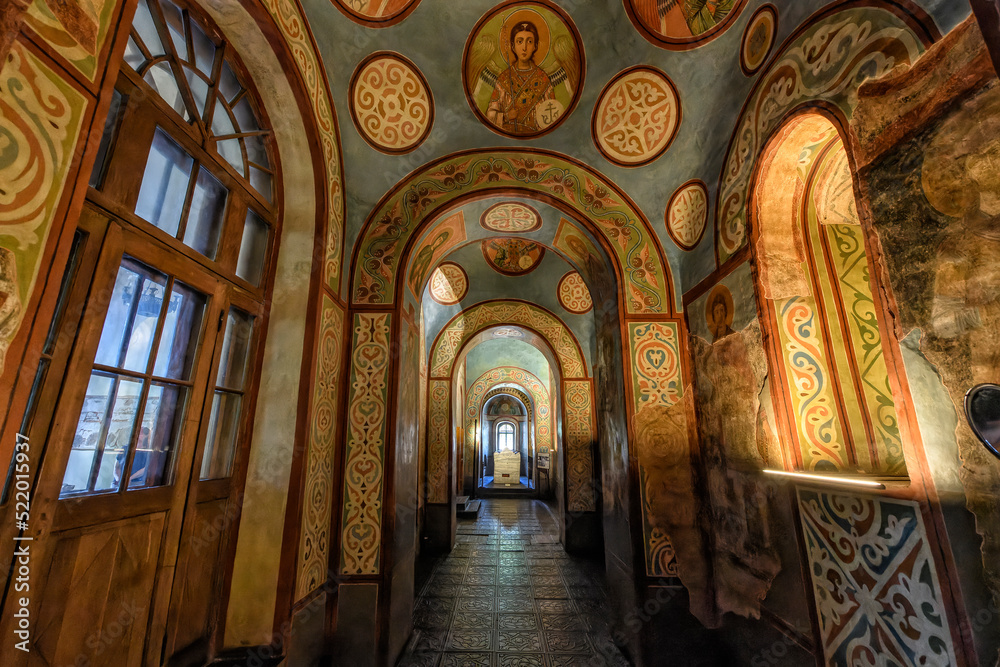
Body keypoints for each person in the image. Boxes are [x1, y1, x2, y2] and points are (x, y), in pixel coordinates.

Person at [487, 20, 554, 134]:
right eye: (519, 41)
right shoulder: (504, 78)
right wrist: (507, 116)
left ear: (535, 46)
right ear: (513, 46)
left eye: (529, 42)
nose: (524, 47)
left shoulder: (543, 79)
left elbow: (552, 117)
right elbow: (489, 116)